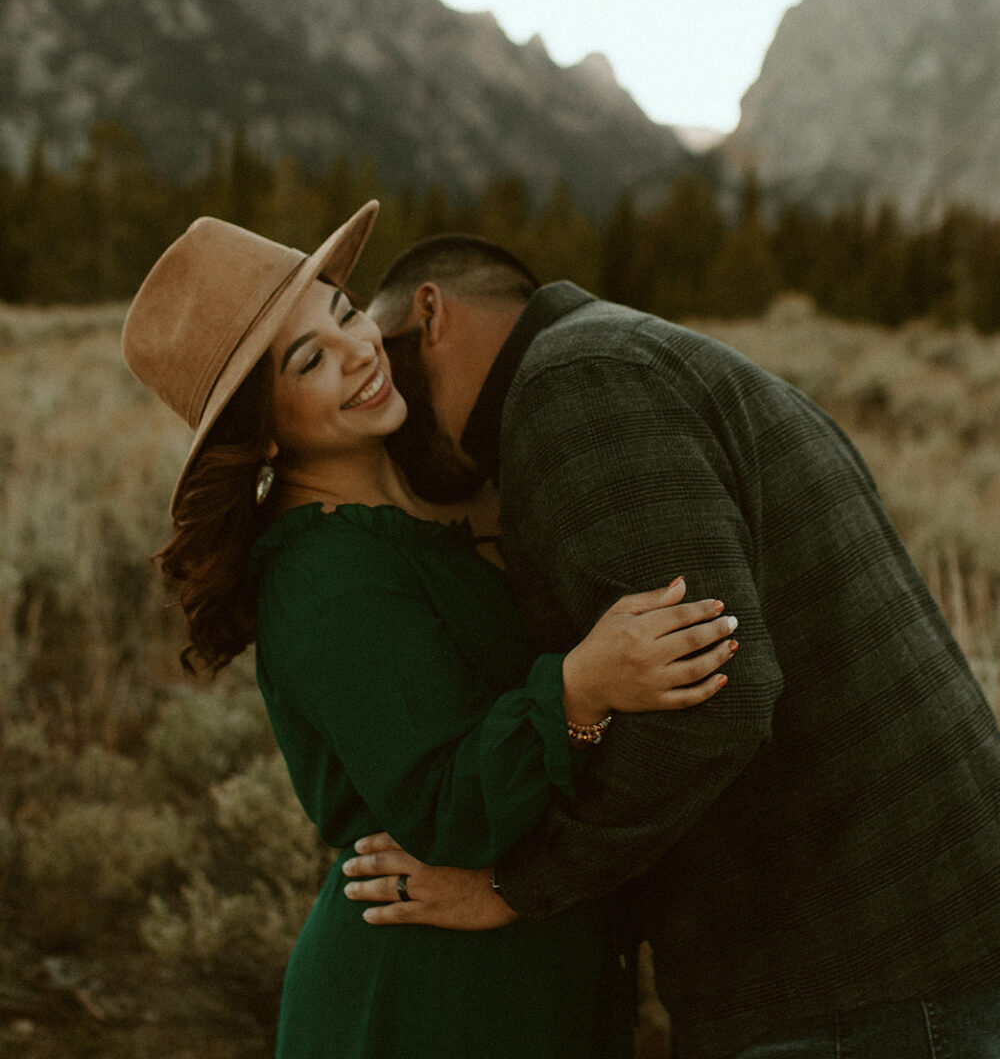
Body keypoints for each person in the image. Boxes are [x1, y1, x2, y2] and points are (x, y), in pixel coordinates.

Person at [342, 234, 1000, 1059]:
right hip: (906, 959)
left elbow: (715, 696)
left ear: (430, 313)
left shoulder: (570, 386)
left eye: (381, 351)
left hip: (860, 980)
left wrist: (516, 887)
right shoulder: (632, 354)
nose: (384, 401)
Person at [121, 203, 738, 1059]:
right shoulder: (324, 574)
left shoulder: (428, 500)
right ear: (260, 433)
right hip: (430, 993)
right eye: (308, 361)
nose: (357, 353)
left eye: (342, 314)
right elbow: (445, 804)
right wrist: (580, 689)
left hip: (526, 964)